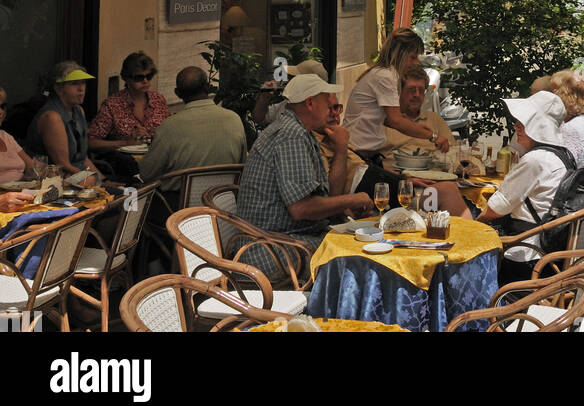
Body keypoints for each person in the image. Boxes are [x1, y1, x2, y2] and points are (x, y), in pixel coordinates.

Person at [235, 73, 374, 277]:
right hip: (270, 248)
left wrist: (341, 148)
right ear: (310, 103)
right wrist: (353, 199)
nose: (332, 112)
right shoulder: (291, 135)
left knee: (362, 243)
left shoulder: (301, 132)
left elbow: (331, 196)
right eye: (329, 104)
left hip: (286, 239)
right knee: (362, 255)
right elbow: (301, 208)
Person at [477, 91, 570, 280]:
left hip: (527, 255)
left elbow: (495, 209)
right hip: (551, 251)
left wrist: (472, 226)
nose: (516, 127)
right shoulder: (562, 156)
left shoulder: (535, 160)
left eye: (523, 122)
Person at [138, 66, 247, 197]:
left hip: (177, 209)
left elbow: (146, 173)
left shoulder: (169, 127)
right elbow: (242, 164)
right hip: (224, 202)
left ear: (177, 93)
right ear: (208, 87)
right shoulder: (233, 119)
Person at [344, 29, 444, 156]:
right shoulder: (385, 76)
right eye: (412, 57)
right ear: (400, 54)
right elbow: (395, 120)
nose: (415, 63)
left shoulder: (386, 74)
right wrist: (433, 137)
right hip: (357, 150)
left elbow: (386, 119)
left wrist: (418, 129)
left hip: (361, 149)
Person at [24, 62, 100, 177]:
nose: (81, 89)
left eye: (83, 83)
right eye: (74, 84)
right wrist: (94, 181)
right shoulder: (52, 117)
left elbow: (83, 159)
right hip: (55, 178)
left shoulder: (79, 111)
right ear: (59, 89)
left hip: (80, 175)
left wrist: (103, 180)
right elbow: (63, 165)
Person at [88, 51, 169, 152]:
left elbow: (169, 132)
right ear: (126, 78)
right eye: (139, 77)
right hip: (126, 160)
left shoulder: (159, 100)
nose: (145, 81)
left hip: (157, 156)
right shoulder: (112, 105)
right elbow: (91, 142)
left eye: (149, 76)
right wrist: (126, 143)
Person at [384, 65, 453, 153]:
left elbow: (452, 150)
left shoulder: (435, 119)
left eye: (421, 90)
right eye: (412, 90)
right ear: (399, 92)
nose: (417, 95)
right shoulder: (388, 120)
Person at [0, 83, 35, 182]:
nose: (1, 112)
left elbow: (32, 167)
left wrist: (54, 170)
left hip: (22, 191)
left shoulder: (6, 136)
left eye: (2, 106)